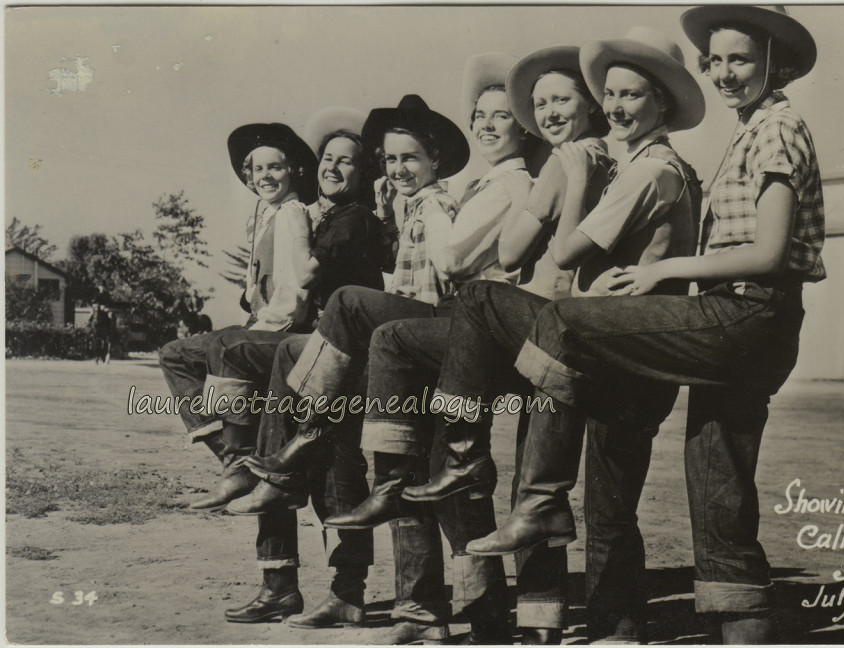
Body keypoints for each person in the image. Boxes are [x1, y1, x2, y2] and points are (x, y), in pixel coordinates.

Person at [480, 8, 824, 643]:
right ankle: (741, 629)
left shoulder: (775, 129)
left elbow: (771, 252)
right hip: (748, 317)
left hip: (746, 310)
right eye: (716, 60)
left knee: (564, 322)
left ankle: (542, 503)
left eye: (741, 59)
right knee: (716, 477)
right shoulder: (751, 130)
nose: (726, 73)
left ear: (776, 63)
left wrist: (661, 275)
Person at [418, 28, 705, 643]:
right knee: (609, 502)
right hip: (620, 351)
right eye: (614, 92)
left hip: (609, 348)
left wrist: (571, 182)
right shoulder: (641, 164)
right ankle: (616, 626)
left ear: (660, 103)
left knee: (479, 299)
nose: (619, 106)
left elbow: (560, 258)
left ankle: (466, 455)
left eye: (630, 95)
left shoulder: (640, 170)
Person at [323, 48, 611, 644]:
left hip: (515, 332)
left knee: (516, 480)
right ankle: (497, 616)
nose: (484, 124)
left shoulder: (517, 181)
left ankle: (506, 613)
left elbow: (469, 262)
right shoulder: (493, 181)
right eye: (478, 114)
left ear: (522, 126)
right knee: (488, 478)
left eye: (500, 115)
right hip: (487, 336)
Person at [215, 94, 473, 644]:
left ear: (435, 163)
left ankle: (425, 604)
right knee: (390, 471)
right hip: (386, 355)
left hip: (409, 352)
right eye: (390, 161)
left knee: (405, 473)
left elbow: (449, 268)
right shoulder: (386, 214)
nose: (397, 170)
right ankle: (401, 604)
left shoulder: (406, 212)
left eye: (408, 160)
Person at [157, 122, 318, 499]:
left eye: (275, 167)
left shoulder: (292, 212)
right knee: (175, 354)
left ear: (293, 170)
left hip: (281, 326)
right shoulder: (265, 215)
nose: (266, 176)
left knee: (226, 347)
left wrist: (261, 327)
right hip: (261, 319)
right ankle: (236, 461)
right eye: (257, 169)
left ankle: (239, 459)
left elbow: (294, 291)